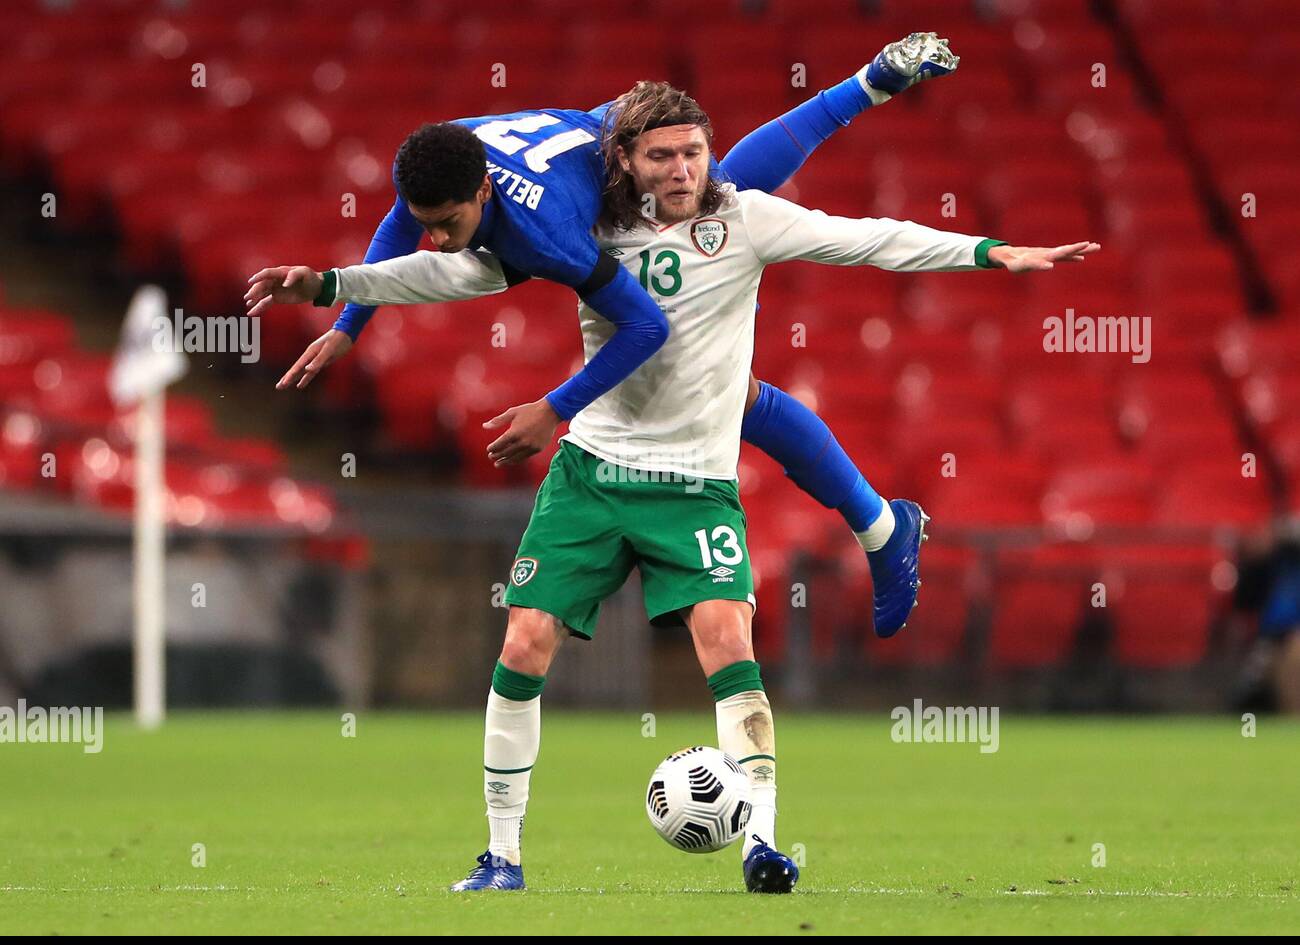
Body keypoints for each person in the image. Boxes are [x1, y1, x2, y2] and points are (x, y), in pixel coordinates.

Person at [249, 81, 1097, 893]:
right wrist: (341, 294)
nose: (681, 171)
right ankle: (501, 857)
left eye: (693, 153)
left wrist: (992, 250)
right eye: (661, 158)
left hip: (693, 479)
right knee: (522, 644)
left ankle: (763, 840)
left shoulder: (746, 218)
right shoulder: (582, 228)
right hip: (595, 470)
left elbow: (871, 236)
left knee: (728, 641)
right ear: (626, 162)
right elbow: (457, 271)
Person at [249, 32, 963, 637]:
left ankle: (881, 526)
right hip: (602, 131)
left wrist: (555, 407)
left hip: (610, 169)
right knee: (728, 317)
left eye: (449, 224)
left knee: (719, 241)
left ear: (480, 197)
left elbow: (634, 323)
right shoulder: (454, 151)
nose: (436, 237)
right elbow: (408, 218)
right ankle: (882, 528)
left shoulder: (543, 235)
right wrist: (349, 325)